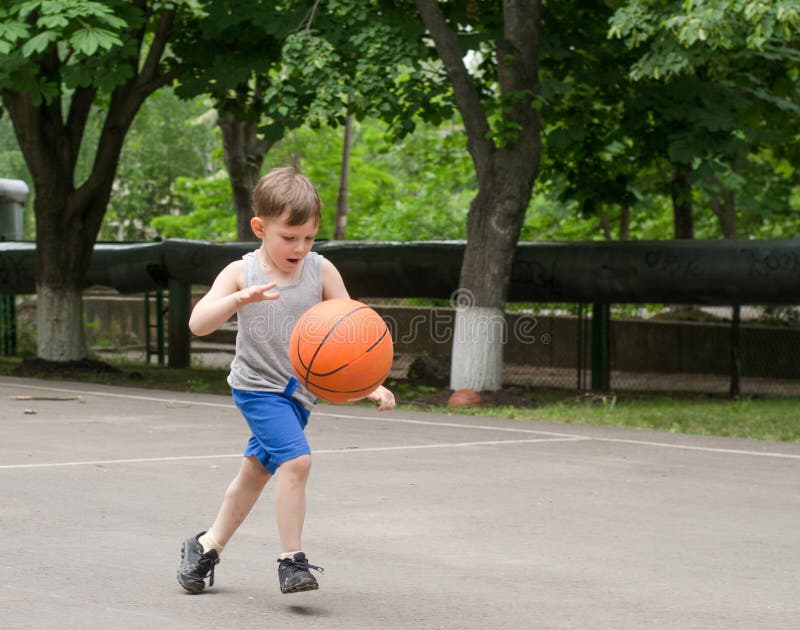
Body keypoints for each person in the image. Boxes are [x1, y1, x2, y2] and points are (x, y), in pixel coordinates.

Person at [177, 166, 395, 595]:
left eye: (309, 238)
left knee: (256, 473)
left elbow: (351, 336)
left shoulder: (321, 271)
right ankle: (291, 561)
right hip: (257, 388)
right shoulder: (241, 273)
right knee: (297, 462)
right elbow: (198, 323)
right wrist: (237, 298)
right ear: (260, 227)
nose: (300, 247)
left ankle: (205, 545)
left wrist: (367, 382)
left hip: (299, 395)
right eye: (288, 237)